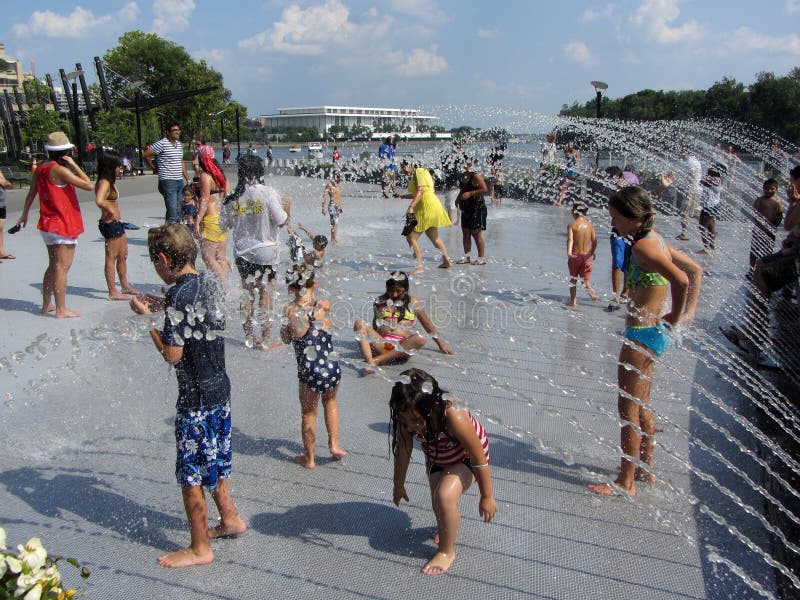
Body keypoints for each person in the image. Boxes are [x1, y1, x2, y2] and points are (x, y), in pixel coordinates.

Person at [129, 223, 246, 568]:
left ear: (164, 259)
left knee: (191, 472)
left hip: (195, 400)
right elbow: (196, 317)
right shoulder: (209, 282)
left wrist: (148, 321)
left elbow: (172, 355)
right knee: (215, 459)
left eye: (155, 264)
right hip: (220, 391)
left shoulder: (179, 297)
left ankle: (199, 547)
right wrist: (164, 306)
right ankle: (230, 519)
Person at [589, 186, 702, 497]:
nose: (612, 223)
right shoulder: (654, 240)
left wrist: (678, 316)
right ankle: (646, 467)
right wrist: (680, 318)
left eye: (615, 218)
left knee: (627, 409)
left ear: (634, 219)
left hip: (641, 336)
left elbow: (683, 279)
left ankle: (625, 481)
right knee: (642, 403)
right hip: (654, 335)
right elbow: (695, 269)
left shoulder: (644, 249)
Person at [390, 368, 496, 575]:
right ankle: (446, 528)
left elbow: (479, 458)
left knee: (444, 496)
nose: (412, 427)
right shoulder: (407, 415)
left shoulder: (452, 414)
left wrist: (486, 495)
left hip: (468, 456)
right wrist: (398, 485)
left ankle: (446, 552)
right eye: (406, 420)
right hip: (438, 455)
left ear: (432, 407)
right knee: (438, 502)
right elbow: (402, 451)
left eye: (417, 421)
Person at [16, 132, 93, 318]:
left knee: (53, 265)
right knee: (61, 267)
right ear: (65, 152)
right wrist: (74, 165)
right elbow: (88, 185)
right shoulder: (60, 170)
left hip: (48, 223)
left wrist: (24, 214)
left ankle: (46, 304)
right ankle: (61, 309)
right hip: (63, 223)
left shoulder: (42, 167)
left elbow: (31, 193)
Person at [279, 263, 347, 469]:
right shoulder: (324, 305)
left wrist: (285, 327)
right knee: (331, 401)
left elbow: (287, 338)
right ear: (314, 284)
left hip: (309, 371)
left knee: (309, 413)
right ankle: (334, 445)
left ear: (290, 288)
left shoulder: (290, 310)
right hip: (331, 366)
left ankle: (309, 458)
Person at [220, 154, 289, 349]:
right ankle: (265, 339)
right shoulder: (267, 193)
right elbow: (281, 220)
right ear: (259, 172)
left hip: (243, 252)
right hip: (266, 252)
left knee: (247, 295)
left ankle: (249, 337)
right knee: (265, 294)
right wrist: (288, 207)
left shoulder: (233, 198)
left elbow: (223, 225)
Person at [353, 271, 454, 375]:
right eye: (391, 291)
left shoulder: (413, 303)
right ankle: (370, 362)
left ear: (406, 290)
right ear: (387, 288)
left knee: (420, 338)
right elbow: (375, 325)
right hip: (382, 345)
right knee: (359, 323)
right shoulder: (379, 301)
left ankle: (377, 361)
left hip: (403, 348)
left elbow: (427, 325)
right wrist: (369, 338)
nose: (395, 295)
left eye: (399, 292)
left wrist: (441, 345)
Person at [94, 150, 139, 300]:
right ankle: (113, 291)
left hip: (117, 223)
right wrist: (110, 211)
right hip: (109, 223)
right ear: (110, 166)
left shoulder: (110, 181)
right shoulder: (104, 182)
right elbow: (99, 200)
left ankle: (124, 285)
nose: (120, 168)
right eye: (118, 165)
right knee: (111, 257)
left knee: (122, 255)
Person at [396, 161, 452, 274]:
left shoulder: (419, 171)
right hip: (432, 204)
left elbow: (421, 191)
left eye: (403, 167)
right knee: (434, 237)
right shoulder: (423, 172)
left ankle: (419, 266)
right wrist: (402, 196)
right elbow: (418, 193)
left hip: (426, 207)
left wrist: (411, 206)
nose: (403, 170)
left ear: (410, 165)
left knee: (411, 237)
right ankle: (446, 261)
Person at [194, 149, 230, 283]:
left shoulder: (205, 176)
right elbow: (229, 195)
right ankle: (228, 288)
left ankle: (224, 289)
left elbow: (204, 200)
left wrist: (197, 221)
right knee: (221, 258)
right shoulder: (220, 175)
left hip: (210, 219)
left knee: (208, 258)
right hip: (222, 220)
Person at [143, 123, 190, 223]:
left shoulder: (179, 145)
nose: (177, 132)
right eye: (174, 130)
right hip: (167, 180)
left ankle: (169, 233)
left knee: (178, 209)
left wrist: (187, 178)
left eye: (178, 130)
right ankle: (172, 233)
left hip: (179, 180)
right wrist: (153, 168)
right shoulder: (162, 143)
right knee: (173, 210)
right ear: (168, 132)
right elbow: (146, 155)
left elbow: (180, 161)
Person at [454, 156, 488, 265]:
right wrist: (457, 198)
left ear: (471, 165)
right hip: (466, 207)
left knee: (476, 233)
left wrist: (470, 193)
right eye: (463, 164)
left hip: (477, 207)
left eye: (467, 164)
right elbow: (462, 189)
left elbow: (484, 189)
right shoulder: (463, 176)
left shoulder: (475, 176)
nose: (464, 166)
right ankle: (467, 257)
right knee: (465, 232)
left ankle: (481, 258)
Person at [566, 202, 598, 306]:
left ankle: (573, 301)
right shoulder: (590, 225)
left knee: (573, 280)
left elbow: (570, 240)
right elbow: (594, 241)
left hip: (576, 256)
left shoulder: (572, 225)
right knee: (586, 280)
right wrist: (592, 252)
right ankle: (592, 295)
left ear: (573, 211)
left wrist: (569, 253)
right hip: (587, 256)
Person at [749, 179, 783, 271]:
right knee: (754, 249)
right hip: (759, 229)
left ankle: (765, 268)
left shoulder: (778, 201)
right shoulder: (760, 200)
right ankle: (752, 268)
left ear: (776, 189)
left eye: (772, 189)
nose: (769, 191)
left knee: (768, 250)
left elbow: (780, 215)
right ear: (763, 189)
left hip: (771, 230)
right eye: (766, 189)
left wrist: (774, 226)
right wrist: (758, 224)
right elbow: (755, 212)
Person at [676, 151, 702, 241]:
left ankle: (684, 234)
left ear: (686, 153)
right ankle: (707, 228)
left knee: (684, 212)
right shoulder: (696, 161)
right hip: (697, 190)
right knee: (696, 213)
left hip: (692, 190)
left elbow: (692, 176)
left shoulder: (690, 161)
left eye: (681, 153)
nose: (680, 156)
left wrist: (689, 191)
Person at [697, 166, 723, 254]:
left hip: (710, 206)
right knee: (711, 227)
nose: (707, 173)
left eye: (709, 172)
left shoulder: (715, 179)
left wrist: (705, 179)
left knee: (702, 227)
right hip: (714, 205)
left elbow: (702, 182)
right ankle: (711, 246)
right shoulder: (718, 179)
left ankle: (706, 248)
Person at [555, 142, 580, 206]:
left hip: (572, 171)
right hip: (566, 170)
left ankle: (559, 201)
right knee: (562, 186)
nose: (570, 146)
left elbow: (577, 162)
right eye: (569, 145)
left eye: (571, 145)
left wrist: (574, 156)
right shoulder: (566, 151)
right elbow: (566, 160)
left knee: (564, 186)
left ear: (573, 145)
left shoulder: (576, 152)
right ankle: (558, 201)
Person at [322, 172, 343, 244]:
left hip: (337, 206)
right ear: (335, 177)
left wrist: (340, 207)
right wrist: (323, 208)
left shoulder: (337, 186)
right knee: (334, 223)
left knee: (335, 223)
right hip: (332, 206)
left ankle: (333, 239)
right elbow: (324, 196)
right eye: (340, 178)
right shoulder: (329, 185)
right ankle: (334, 240)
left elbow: (338, 197)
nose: (340, 180)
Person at [0, 168, 13, 262]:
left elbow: (7, 184)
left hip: (1, 203)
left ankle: (0, 252)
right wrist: (3, 182)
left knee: (0, 228)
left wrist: (4, 182)